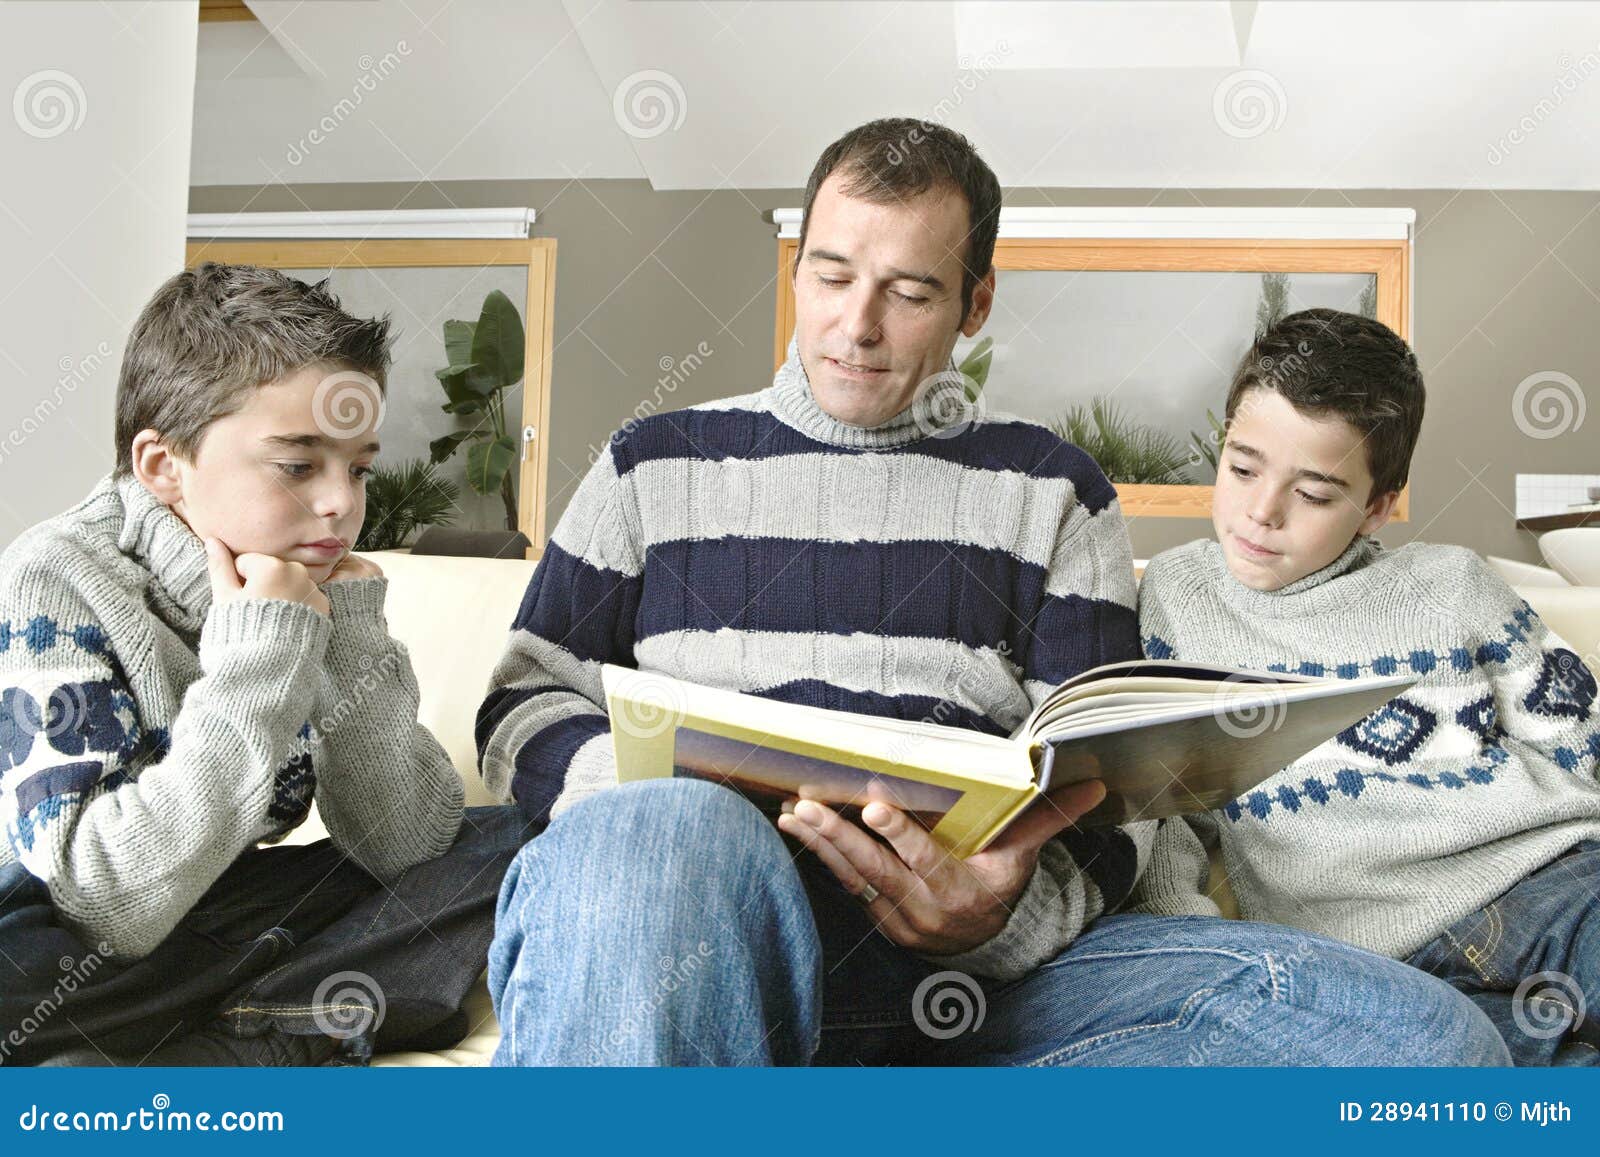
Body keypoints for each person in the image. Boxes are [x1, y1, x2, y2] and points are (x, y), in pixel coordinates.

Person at [476, 121, 1508, 1066]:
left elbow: (1116, 787)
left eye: (910, 292)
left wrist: (996, 913)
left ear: (975, 304)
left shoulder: (1055, 490)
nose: (857, 325)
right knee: (666, 838)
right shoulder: (651, 463)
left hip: (981, 984)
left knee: (1424, 1041)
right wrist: (657, 798)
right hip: (694, 926)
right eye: (830, 274)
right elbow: (522, 702)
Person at [0, 263, 527, 1066]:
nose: (342, 503)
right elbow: (108, 903)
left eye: (358, 467)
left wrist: (348, 637)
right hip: (56, 931)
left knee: (515, 842)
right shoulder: (58, 575)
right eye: (298, 465)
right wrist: (259, 654)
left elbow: (408, 849)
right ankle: (271, 1026)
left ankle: (251, 1031)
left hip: (206, 922)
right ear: (162, 465)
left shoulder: (305, 584)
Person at [1131, 307, 1600, 1065]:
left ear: (1376, 507)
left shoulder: (1452, 584)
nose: (1261, 512)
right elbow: (1163, 810)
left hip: (1549, 882)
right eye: (1242, 469)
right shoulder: (1175, 599)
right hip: (1375, 962)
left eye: (1315, 494)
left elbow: (1581, 735)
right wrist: (1203, 955)